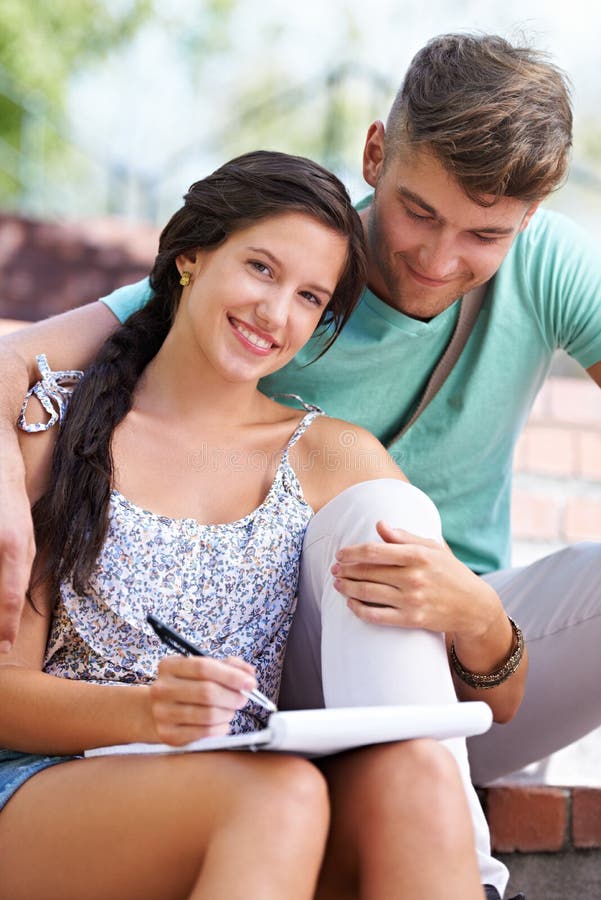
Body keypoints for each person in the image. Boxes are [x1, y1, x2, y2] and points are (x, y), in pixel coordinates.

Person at [0, 151, 520, 900]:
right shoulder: (53, 428)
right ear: (190, 256)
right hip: (53, 789)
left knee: (415, 773)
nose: (276, 315)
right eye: (262, 270)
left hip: (253, 786)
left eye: (309, 297)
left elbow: (498, 704)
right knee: (276, 796)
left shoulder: (333, 457)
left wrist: (478, 615)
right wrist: (150, 713)